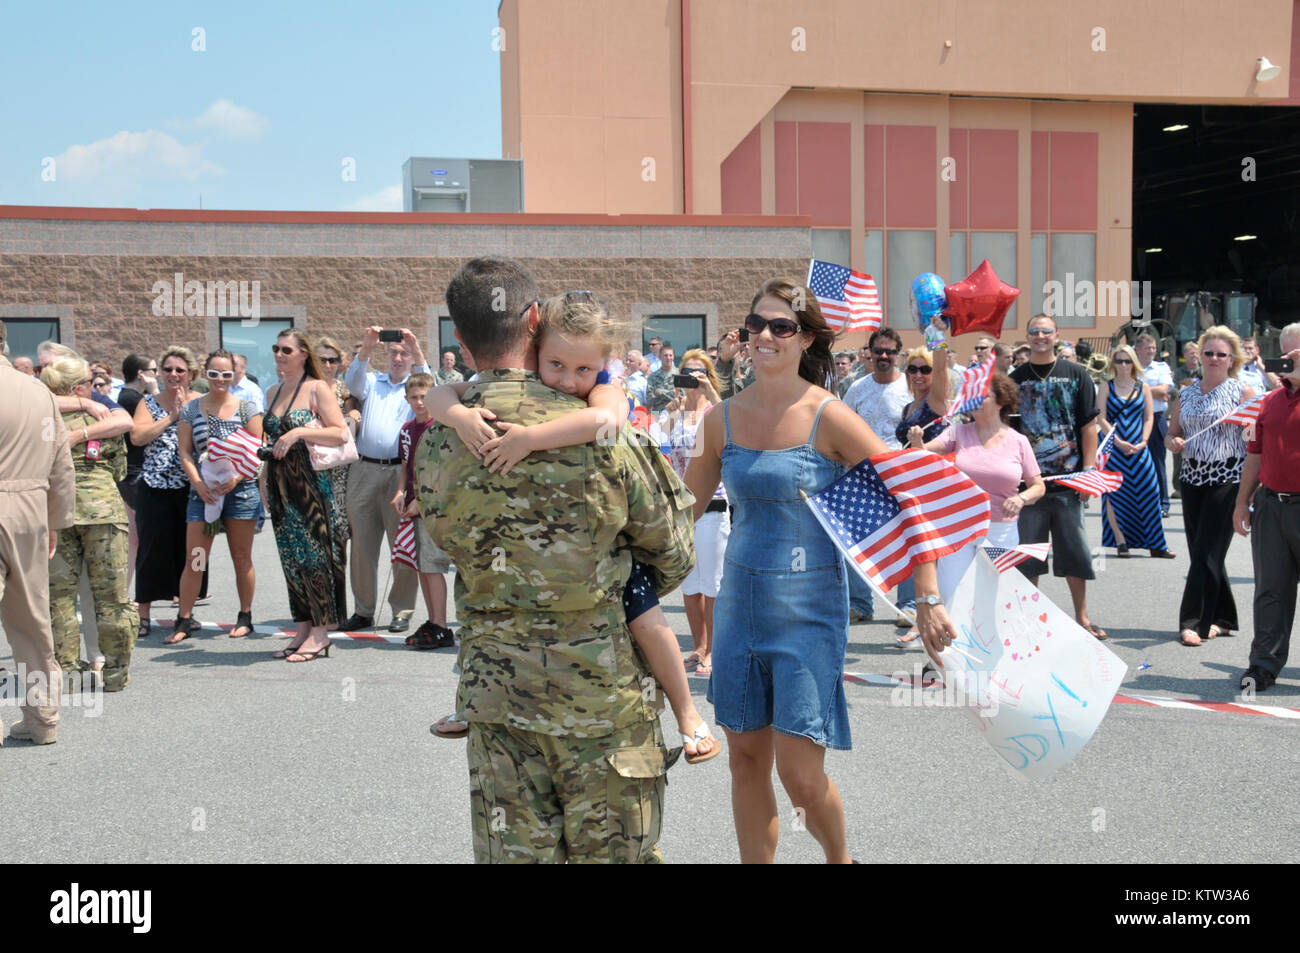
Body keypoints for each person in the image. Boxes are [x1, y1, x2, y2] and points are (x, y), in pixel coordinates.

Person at [415, 259, 696, 863]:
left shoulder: (441, 435)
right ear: (535, 321)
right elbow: (674, 551)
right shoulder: (602, 427)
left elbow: (442, 545)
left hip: (499, 704)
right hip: (604, 701)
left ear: (459, 341)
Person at [684, 277, 958, 864]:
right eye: (755, 324)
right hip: (739, 609)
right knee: (745, 760)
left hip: (809, 614)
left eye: (780, 326)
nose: (764, 335)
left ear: (804, 338)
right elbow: (679, 512)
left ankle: (840, 859)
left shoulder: (827, 416)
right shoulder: (721, 420)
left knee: (801, 775)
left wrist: (928, 595)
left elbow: (908, 496)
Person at [40, 356, 136, 691]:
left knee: (59, 597)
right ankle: (114, 673)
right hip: (103, 512)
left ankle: (67, 673)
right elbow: (120, 468)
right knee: (111, 596)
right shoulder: (102, 416)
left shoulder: (41, 418)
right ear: (80, 387)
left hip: (55, 512)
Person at [0, 322, 75, 745]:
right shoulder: (37, 391)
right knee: (30, 619)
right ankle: (42, 717)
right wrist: (55, 520)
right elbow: (61, 462)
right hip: (29, 508)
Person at [1012, 314, 1108, 640]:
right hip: (1030, 484)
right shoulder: (1016, 378)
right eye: (1034, 331)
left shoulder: (1077, 375)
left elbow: (1087, 426)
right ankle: (1026, 620)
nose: (1040, 336)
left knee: (1074, 552)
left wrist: (1088, 472)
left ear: (1057, 335)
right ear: (1027, 336)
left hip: (1069, 480)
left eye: (1045, 331)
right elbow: (1010, 433)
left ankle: (1082, 617)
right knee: (1028, 555)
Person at [914, 373, 1045, 605]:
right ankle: (953, 642)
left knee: (994, 598)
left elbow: (1038, 486)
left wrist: (1021, 498)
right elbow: (924, 452)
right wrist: (917, 441)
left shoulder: (1018, 441)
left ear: (1000, 401)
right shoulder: (958, 432)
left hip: (1000, 529)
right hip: (959, 526)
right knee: (952, 593)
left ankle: (991, 642)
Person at [1165, 326, 1257, 647]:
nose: (1214, 358)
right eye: (1209, 353)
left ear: (1231, 359)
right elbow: (1172, 433)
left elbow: (1254, 440)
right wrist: (1174, 441)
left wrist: (1245, 427)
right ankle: (1223, 617)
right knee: (1203, 553)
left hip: (1227, 479)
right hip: (1192, 480)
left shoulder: (1242, 393)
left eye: (1221, 354)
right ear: (1199, 356)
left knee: (1206, 552)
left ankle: (1193, 622)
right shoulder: (1186, 392)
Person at [262, 329, 350, 661]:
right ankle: (302, 627)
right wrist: (263, 484)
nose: (280, 354)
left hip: (311, 486)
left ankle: (320, 632)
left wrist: (299, 431)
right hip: (279, 484)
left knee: (315, 558)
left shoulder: (316, 388)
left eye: (286, 349)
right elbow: (269, 442)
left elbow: (340, 432)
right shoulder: (272, 391)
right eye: (276, 348)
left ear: (302, 354)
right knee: (291, 558)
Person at [168, 350, 263, 643]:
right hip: (204, 491)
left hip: (241, 488)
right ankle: (184, 619)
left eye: (226, 374)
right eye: (214, 374)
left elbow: (259, 450)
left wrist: (236, 477)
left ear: (235, 376)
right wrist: (197, 482)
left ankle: (245, 616)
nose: (220, 380)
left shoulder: (248, 408)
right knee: (196, 557)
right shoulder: (191, 409)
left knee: (241, 557)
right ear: (205, 374)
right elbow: (184, 451)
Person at [343, 326, 430, 633]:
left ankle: (402, 611)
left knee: (402, 545)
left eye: (404, 353)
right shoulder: (371, 381)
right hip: (364, 469)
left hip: (400, 473)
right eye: (393, 352)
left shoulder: (416, 386)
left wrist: (417, 349)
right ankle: (363, 610)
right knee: (362, 546)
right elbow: (350, 381)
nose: (398, 357)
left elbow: (430, 382)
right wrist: (366, 347)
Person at [1234, 322, 1300, 692]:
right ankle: (1263, 665)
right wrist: (1243, 502)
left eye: (1297, 355)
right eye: (1284, 355)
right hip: (1272, 506)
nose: (1289, 362)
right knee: (1271, 590)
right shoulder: (1269, 402)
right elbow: (1254, 455)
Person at [130, 348, 206, 637]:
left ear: (190, 374)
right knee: (151, 551)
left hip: (192, 487)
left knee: (191, 552)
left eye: (180, 369)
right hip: (155, 487)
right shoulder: (148, 403)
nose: (174, 374)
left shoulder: (199, 401)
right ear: (160, 373)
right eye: (168, 369)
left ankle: (185, 612)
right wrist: (171, 417)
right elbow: (137, 437)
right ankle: (143, 614)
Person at [843, 327, 915, 625]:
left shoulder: (910, 388)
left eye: (890, 351)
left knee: (908, 539)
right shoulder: (857, 389)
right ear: (869, 353)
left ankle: (909, 605)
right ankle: (860, 603)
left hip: (902, 476)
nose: (884, 356)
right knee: (856, 541)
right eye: (878, 351)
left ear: (898, 354)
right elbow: (843, 428)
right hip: (862, 476)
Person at [664, 349, 728, 677]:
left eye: (699, 371)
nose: (692, 377)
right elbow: (665, 450)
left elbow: (732, 433)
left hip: (715, 504)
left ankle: (714, 651)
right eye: (687, 371)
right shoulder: (674, 411)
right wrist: (673, 412)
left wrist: (711, 394)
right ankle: (698, 646)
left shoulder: (716, 411)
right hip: (683, 507)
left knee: (713, 583)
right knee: (689, 584)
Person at [391, 372, 454, 650]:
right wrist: (400, 492)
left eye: (424, 397)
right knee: (421, 566)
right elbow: (405, 468)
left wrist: (423, 501)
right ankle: (432, 620)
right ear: (406, 399)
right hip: (413, 504)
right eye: (414, 397)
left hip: (433, 507)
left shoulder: (441, 428)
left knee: (432, 565)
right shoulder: (406, 430)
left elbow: (445, 472)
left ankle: (441, 625)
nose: (419, 402)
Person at [1097, 344, 1174, 559]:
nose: (1123, 365)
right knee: (1113, 494)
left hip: (1139, 445)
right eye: (1119, 361)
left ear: (1133, 363)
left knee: (1150, 490)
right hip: (1113, 446)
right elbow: (1100, 417)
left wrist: (1143, 441)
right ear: (1113, 363)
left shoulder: (1143, 387)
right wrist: (1117, 441)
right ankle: (1121, 541)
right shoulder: (1106, 386)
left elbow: (1149, 417)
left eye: (1127, 361)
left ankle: (1156, 543)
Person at [115, 354, 156, 591]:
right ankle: (134, 591)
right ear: (141, 373)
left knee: (135, 538)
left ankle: (128, 590)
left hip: (130, 471)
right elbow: (152, 426)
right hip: (135, 473)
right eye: (153, 369)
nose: (157, 374)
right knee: (138, 538)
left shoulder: (128, 397)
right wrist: (155, 391)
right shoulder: (133, 399)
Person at [314, 336, 359, 551]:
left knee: (339, 531)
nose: (328, 365)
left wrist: (354, 413)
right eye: (322, 360)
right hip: (310, 465)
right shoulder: (304, 389)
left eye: (333, 360)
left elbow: (353, 414)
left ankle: (338, 580)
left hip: (339, 468)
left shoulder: (344, 391)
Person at [1134, 333, 1174, 517]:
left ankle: (1163, 504)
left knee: (1158, 462)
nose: (1152, 351)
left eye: (1153, 348)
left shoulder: (1161, 367)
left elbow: (1165, 389)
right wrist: (1153, 391)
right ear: (1138, 350)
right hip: (1134, 419)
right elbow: (1121, 389)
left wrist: (1139, 390)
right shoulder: (1130, 368)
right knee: (1134, 464)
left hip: (1156, 419)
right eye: (1148, 348)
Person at [895, 344, 949, 450]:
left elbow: (940, 370)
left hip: (934, 464)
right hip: (909, 464)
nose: (918, 375)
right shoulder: (907, 409)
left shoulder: (935, 400)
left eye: (925, 370)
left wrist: (936, 333)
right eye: (913, 369)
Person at [645, 344, 677, 412]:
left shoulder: (679, 375)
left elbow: (681, 397)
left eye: (670, 355)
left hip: (675, 414)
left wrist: (659, 392)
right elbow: (650, 400)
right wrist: (671, 394)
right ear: (660, 357)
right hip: (657, 413)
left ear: (673, 357)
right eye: (665, 355)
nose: (668, 358)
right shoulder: (652, 377)